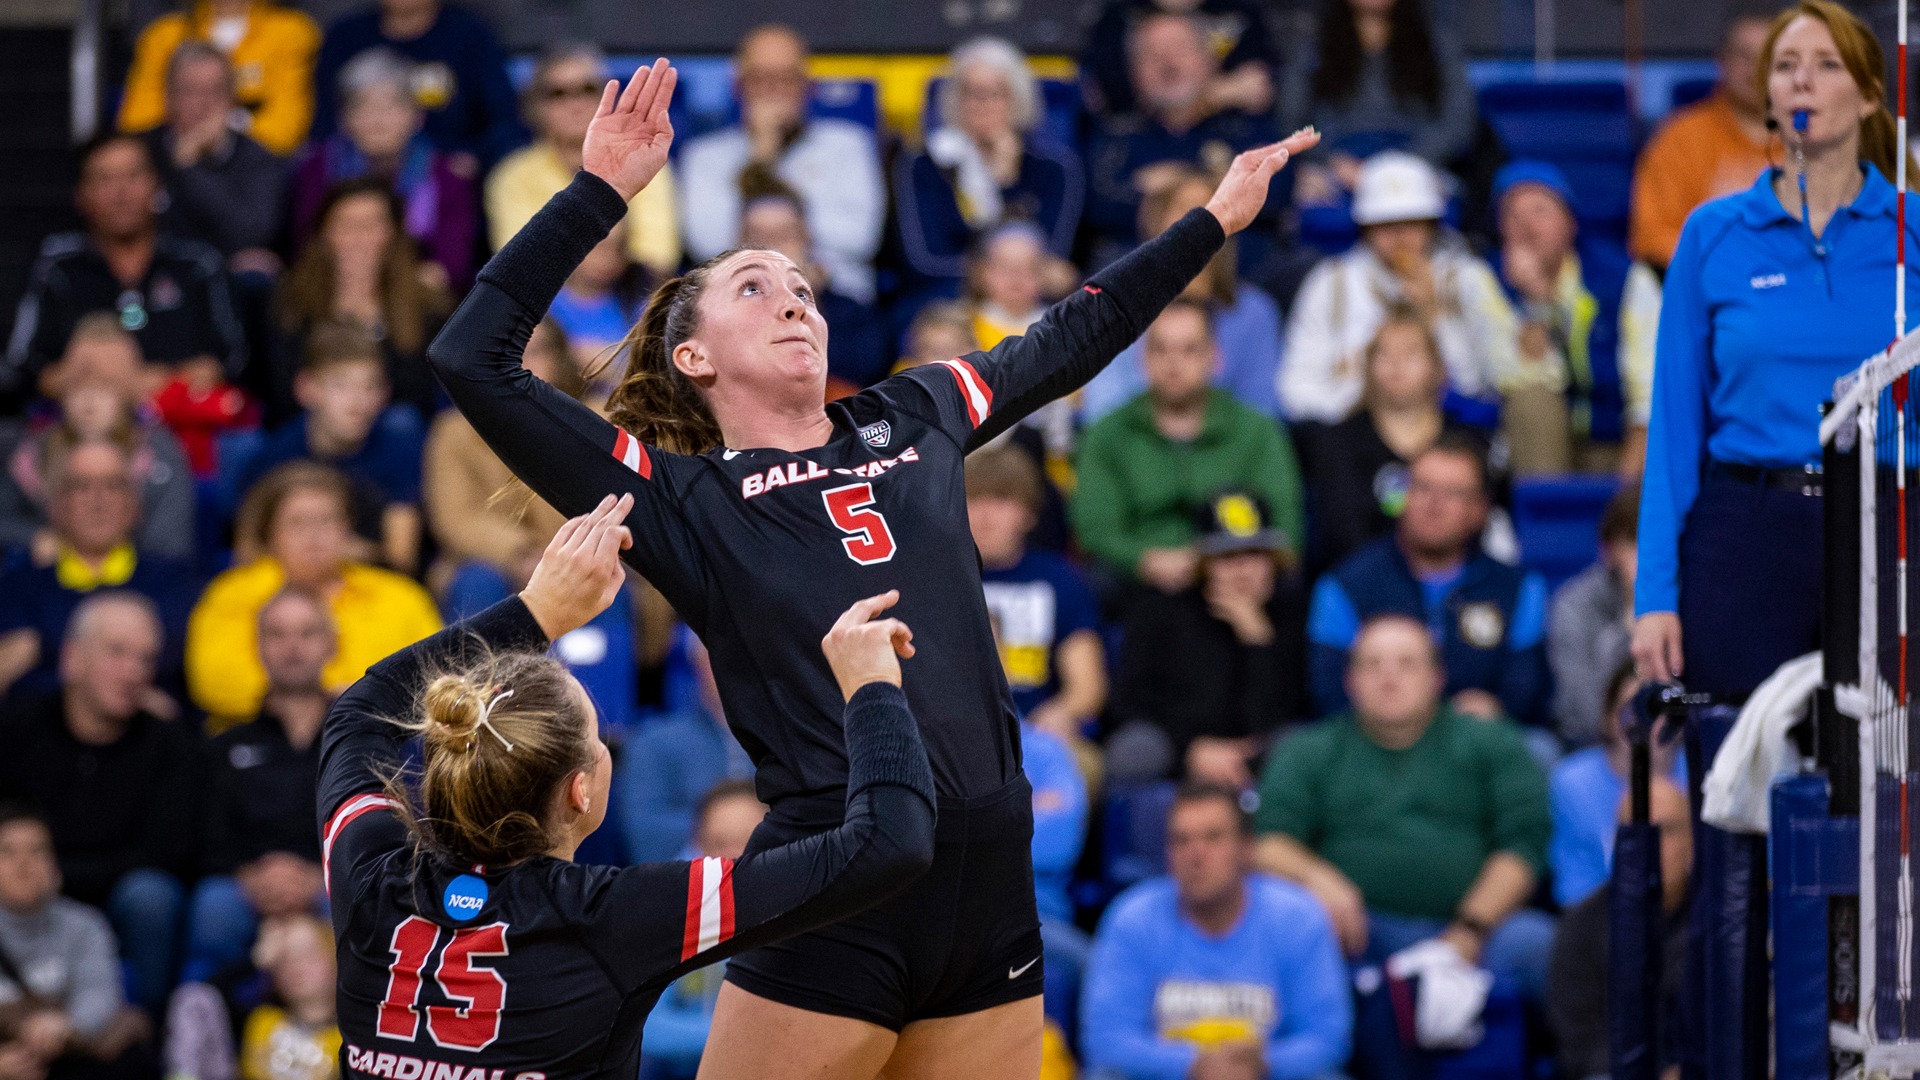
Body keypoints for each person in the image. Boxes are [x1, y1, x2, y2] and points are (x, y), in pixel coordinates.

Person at [425, 58, 1313, 1080]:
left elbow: (1079, 331)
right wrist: (599, 194)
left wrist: (1212, 220)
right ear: (695, 360)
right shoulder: (681, 500)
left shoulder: (915, 409)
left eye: (802, 287)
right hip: (838, 877)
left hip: (989, 873)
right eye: (754, 288)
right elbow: (471, 357)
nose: (793, 299)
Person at [319, 494, 939, 1077]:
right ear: (579, 793)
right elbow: (891, 844)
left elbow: (357, 714)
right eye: (596, 741)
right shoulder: (616, 915)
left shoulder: (369, 873)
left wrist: (535, 611)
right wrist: (873, 690)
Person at [1633, 0, 1920, 700]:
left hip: (1894, 525)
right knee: (1738, 787)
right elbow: (1674, 431)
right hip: (1746, 533)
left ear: (1870, 95)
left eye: (1826, 66)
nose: (1802, 82)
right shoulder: (1712, 235)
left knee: (1892, 790)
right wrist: (1654, 598)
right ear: (1765, 95)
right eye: (1786, 67)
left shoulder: (1912, 231)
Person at [1255, 615, 1556, 1003]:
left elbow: (1524, 845)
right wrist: (1318, 879)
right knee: (1287, 929)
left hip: (1474, 928)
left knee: (1538, 943)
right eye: (1372, 664)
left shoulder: (1490, 742)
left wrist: (1469, 929)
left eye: (1407, 663)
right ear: (1350, 681)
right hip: (1354, 931)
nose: (1389, 677)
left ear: (1437, 677)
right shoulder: (1308, 749)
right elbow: (1267, 842)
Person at [0, 592, 201, 1015]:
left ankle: (151, 1031)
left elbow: (168, 852)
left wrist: (60, 874)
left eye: (146, 659)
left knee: (152, 896)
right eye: (117, 653)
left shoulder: (169, 744)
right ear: (72, 659)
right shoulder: (19, 731)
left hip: (120, 893)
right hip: (22, 887)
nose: (133, 672)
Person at [1081, 783, 1352, 1080]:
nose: (1195, 855)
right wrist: (1193, 1065)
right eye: (1180, 840)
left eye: (1213, 838)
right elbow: (1107, 1039)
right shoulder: (1132, 918)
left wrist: (1262, 1062)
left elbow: (1328, 1039)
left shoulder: (1298, 918)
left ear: (1246, 849)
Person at [1306, 436, 1550, 725]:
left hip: (1479, 746)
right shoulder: (1344, 585)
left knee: (1539, 749)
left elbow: (1526, 695)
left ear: (1480, 510)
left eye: (1454, 493)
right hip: (1374, 744)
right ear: (1401, 496)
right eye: (1422, 488)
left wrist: (1492, 712)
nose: (1434, 505)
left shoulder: (1520, 588)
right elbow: (1330, 696)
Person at [4, 134, 246, 414]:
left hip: (184, 423)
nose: (121, 193)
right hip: (80, 429)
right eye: (104, 179)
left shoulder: (197, 262)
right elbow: (25, 363)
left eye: (133, 176)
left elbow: (231, 358)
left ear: (157, 186)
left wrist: (154, 384)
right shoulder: (57, 265)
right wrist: (107, 387)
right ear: (81, 196)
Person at [187, 461, 440, 727]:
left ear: (347, 528)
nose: (314, 536)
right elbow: (213, 682)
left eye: (326, 521)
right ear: (270, 533)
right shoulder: (234, 593)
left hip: (375, 743)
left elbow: (433, 678)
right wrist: (328, 701)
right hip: (260, 742)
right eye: (298, 523)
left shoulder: (401, 595)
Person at [1074, 298, 1305, 588]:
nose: (1174, 364)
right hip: (1140, 584)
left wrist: (1229, 566)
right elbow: (1095, 531)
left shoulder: (1257, 430)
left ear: (1215, 357)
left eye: (1189, 350)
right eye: (1161, 349)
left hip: (1237, 576)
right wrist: (1143, 560)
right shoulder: (1107, 433)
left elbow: (1285, 525)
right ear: (1142, 358)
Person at [1279, 151, 1516, 425]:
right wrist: (1363, 413)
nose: (1400, 237)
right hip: (1354, 434)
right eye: (1386, 225)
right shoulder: (1333, 281)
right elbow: (1295, 388)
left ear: (1432, 225)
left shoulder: (1466, 276)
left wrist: (1434, 316)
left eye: (1412, 223)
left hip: (1449, 431)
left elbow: (1488, 382)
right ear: (1365, 228)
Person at [186, 589, 335, 985]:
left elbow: (379, 826)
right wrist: (252, 878)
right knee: (214, 906)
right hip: (246, 886)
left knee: (361, 900)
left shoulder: (358, 739)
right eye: (277, 634)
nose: (292, 648)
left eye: (307, 634)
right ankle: (211, 1020)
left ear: (332, 644)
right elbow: (208, 833)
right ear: (258, 647)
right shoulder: (226, 744)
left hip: (330, 883)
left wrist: (314, 879)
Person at [1108, 493, 1306, 787]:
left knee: (1295, 747)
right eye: (1227, 557)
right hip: (1181, 755)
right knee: (1133, 751)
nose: (1242, 570)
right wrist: (1189, 749)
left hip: (1261, 755)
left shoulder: (1293, 613)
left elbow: (1292, 715)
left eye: (1254, 554)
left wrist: (1258, 642)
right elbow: (1129, 707)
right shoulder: (1160, 613)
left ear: (1273, 560)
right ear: (1203, 563)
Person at [679, 26, 886, 304]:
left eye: (786, 79)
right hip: (739, 298)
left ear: (808, 87)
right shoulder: (705, 155)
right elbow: (708, 242)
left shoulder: (847, 144)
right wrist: (762, 161)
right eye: (761, 79)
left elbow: (858, 238)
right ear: (738, 88)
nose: (774, 91)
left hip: (836, 297)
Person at [1492, 160, 1662, 477]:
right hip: (1535, 448)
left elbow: (1651, 392)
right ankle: (1548, 518)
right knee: (1532, 400)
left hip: (1619, 441)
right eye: (1513, 215)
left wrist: (1625, 487)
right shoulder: (1486, 281)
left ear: (1570, 222)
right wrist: (1536, 303)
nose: (1527, 226)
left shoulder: (1625, 280)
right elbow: (1513, 378)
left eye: (1540, 210)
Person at [1080, 165, 1286, 423]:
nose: (1203, 220)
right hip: (1134, 449)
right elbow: (1101, 411)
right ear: (1157, 223)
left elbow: (1264, 414)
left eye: (1214, 208)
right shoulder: (1118, 303)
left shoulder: (1255, 313)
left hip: (1225, 453)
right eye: (1186, 208)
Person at [0, 440, 198, 707]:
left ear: (135, 505)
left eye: (113, 486)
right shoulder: (17, 588)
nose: (98, 501)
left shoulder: (178, 584)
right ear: (57, 506)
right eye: (81, 487)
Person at [0, 316, 197, 564]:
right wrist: (33, 537)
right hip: (44, 583)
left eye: (103, 389)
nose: (89, 403)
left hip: (138, 584)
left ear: (128, 399)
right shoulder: (31, 453)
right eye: (77, 389)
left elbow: (171, 548)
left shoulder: (159, 456)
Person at [1084, 12, 1285, 256]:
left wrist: (1175, 182)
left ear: (1210, 60)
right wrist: (1218, 182)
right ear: (1133, 72)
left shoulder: (1246, 130)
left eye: (1180, 49)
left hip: (1239, 269)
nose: (1168, 63)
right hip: (1139, 270)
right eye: (1151, 55)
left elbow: (1275, 196)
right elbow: (1100, 207)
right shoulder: (1116, 137)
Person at [1291, 315, 1479, 575]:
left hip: (1451, 585)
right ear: (1368, 366)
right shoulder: (1336, 444)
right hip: (1361, 588)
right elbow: (1341, 537)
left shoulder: (1467, 444)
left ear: (1438, 367)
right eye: (1383, 353)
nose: (1396, 364)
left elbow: (1478, 532)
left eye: (1410, 353)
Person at [895, 37, 1083, 295]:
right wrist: (1003, 278)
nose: (981, 105)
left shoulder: (1054, 170)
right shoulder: (925, 164)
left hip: (1029, 302)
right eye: (971, 93)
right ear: (954, 101)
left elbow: (1051, 259)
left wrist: (1005, 181)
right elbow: (924, 261)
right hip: (947, 297)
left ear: (1018, 101)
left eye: (995, 93)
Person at [235, 333, 426, 575]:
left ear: (385, 393)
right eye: (341, 385)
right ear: (306, 389)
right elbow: (247, 552)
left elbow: (401, 559)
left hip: (369, 588)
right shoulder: (274, 459)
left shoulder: (399, 451)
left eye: (369, 387)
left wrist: (344, 554)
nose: (357, 403)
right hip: (287, 586)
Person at [487, 44, 681, 279]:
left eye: (587, 89)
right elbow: (516, 268)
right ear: (535, 106)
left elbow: (658, 258)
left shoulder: (645, 163)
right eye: (558, 93)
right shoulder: (512, 176)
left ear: (608, 95)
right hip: (545, 310)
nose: (575, 104)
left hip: (633, 299)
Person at [422, 319, 574, 615]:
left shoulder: (591, 420)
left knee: (603, 579)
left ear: (559, 359)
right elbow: (455, 519)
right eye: (510, 352)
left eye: (536, 351)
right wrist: (520, 552)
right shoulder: (453, 431)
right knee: (479, 581)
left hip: (575, 553)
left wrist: (561, 555)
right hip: (486, 559)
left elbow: (607, 508)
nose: (522, 363)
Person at [293, 49, 479, 290]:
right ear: (344, 119)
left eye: (392, 106)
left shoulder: (447, 177)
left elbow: (452, 265)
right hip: (334, 289)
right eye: (363, 106)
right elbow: (305, 249)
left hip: (417, 293)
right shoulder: (316, 169)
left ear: (418, 116)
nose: (378, 120)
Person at [1547, 776, 1692, 1080]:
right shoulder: (1582, 922)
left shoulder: (1716, 921)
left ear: (1692, 840)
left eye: (1666, 831)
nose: (1653, 848)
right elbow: (1577, 1041)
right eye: (1636, 833)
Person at [274, 179, 453, 422]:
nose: (358, 236)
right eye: (346, 225)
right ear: (324, 234)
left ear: (393, 233)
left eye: (370, 225)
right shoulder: (291, 300)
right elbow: (282, 388)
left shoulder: (427, 304)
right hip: (312, 425)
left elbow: (423, 390)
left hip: (393, 428)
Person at [0, 804, 151, 1079]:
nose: (23, 864)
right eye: (7, 851)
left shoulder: (85, 924)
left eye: (37, 850)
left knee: (130, 1047)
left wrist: (67, 1026)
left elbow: (100, 993)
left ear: (55, 864)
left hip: (65, 1052)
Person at [967, 447, 1105, 743]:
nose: (985, 516)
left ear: (1029, 513)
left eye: (1001, 499)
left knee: (1079, 765)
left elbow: (1087, 687)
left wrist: (1060, 714)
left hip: (1040, 734)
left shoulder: (1058, 578)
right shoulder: (937, 578)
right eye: (973, 498)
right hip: (961, 738)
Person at [1630, 7, 1778, 271]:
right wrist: (1722, 262)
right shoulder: (1681, 137)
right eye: (1744, 56)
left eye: (1766, 57)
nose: (1755, 69)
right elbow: (1651, 237)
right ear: (1721, 60)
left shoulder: (1813, 139)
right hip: (1705, 290)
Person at [638, 780, 767, 1079]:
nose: (733, 857)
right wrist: (749, 1033)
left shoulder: (804, 917)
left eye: (747, 841)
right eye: (718, 843)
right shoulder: (665, 914)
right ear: (697, 844)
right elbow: (647, 1027)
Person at [1280, 0, 1476, 196]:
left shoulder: (1437, 44)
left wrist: (1407, 164)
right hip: (1337, 168)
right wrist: (1332, 161)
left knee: (1437, 194)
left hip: (1416, 163)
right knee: (1309, 191)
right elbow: (1292, 119)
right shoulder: (1314, 45)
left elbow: (1457, 123)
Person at [310, 0, 523, 168]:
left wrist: (475, 157)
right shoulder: (346, 36)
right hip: (352, 172)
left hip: (450, 173)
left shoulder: (469, 35)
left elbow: (504, 116)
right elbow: (324, 119)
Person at [135, 43, 289, 266]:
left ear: (232, 99)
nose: (203, 104)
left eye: (215, 91)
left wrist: (189, 168)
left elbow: (252, 235)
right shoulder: (140, 152)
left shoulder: (257, 158)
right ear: (169, 98)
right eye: (191, 91)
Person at [1548, 665, 1687, 908]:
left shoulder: (1704, 775)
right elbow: (1574, 891)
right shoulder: (1573, 782)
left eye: (1656, 710)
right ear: (1607, 719)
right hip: (1601, 921)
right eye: (1631, 709)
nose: (1644, 722)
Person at [117, 0, 321, 157]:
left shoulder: (291, 32)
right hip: (172, 159)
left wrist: (219, 135)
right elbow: (137, 125)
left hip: (253, 164)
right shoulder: (163, 35)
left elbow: (285, 129)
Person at [618, 636, 756, 865]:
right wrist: (737, 830)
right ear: (697, 661)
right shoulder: (652, 740)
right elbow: (642, 833)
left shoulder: (791, 739)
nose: (732, 668)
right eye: (720, 656)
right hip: (685, 886)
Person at [737, 189, 888, 390]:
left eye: (784, 234)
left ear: (807, 239)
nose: (770, 246)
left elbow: (864, 368)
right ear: (738, 242)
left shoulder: (851, 313)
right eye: (758, 235)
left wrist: (808, 300)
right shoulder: (716, 312)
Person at [1080, 0, 1278, 118]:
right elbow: (1112, 97)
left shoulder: (1240, 11)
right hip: (1139, 146)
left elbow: (1258, 89)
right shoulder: (1118, 15)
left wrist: (1174, 97)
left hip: (1229, 140)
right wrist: (1211, 97)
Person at [1550, 485, 1639, 746]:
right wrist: (1630, 626)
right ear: (1609, 551)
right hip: (1594, 747)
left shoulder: (1692, 602)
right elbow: (1582, 714)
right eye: (1634, 544)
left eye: (1660, 547)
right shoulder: (1573, 604)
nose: (1649, 560)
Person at [236, 916, 337, 1080]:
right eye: (284, 960)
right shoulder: (260, 1017)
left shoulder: (350, 1039)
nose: (296, 968)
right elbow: (208, 995)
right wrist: (255, 961)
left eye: (309, 955)